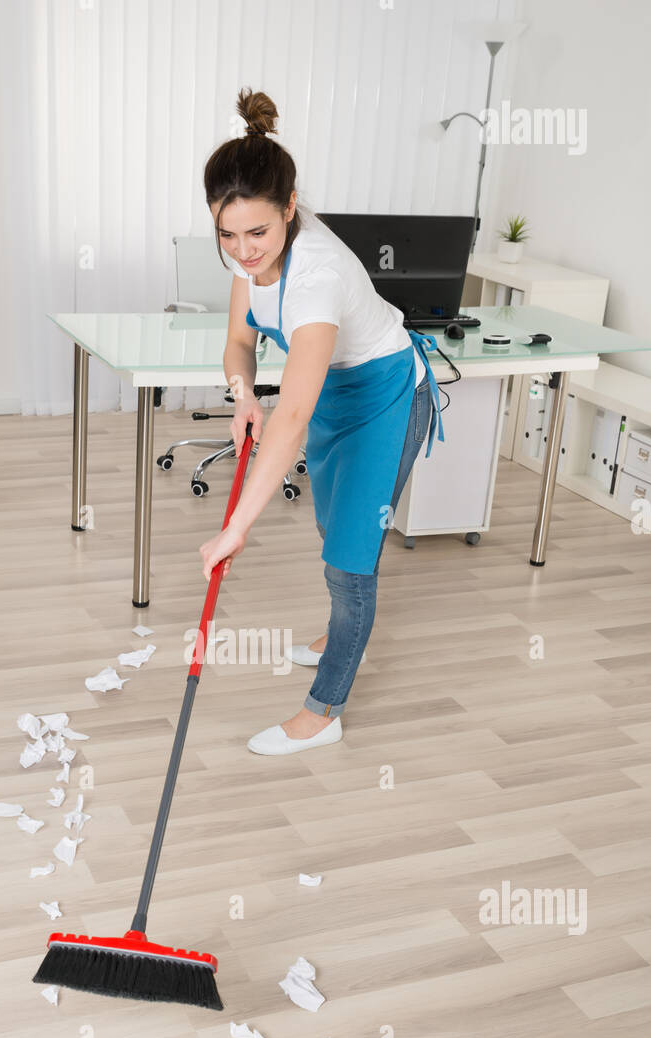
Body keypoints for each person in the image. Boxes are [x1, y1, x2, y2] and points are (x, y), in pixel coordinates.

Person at [199, 88, 443, 756]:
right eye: (227, 234)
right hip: (333, 387)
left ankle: (323, 711)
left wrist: (235, 529)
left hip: (386, 395)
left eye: (257, 233)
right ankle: (338, 631)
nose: (242, 251)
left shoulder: (316, 275)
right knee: (330, 526)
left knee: (350, 560)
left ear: (289, 210)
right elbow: (240, 343)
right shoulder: (246, 258)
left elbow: (293, 416)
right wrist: (241, 391)